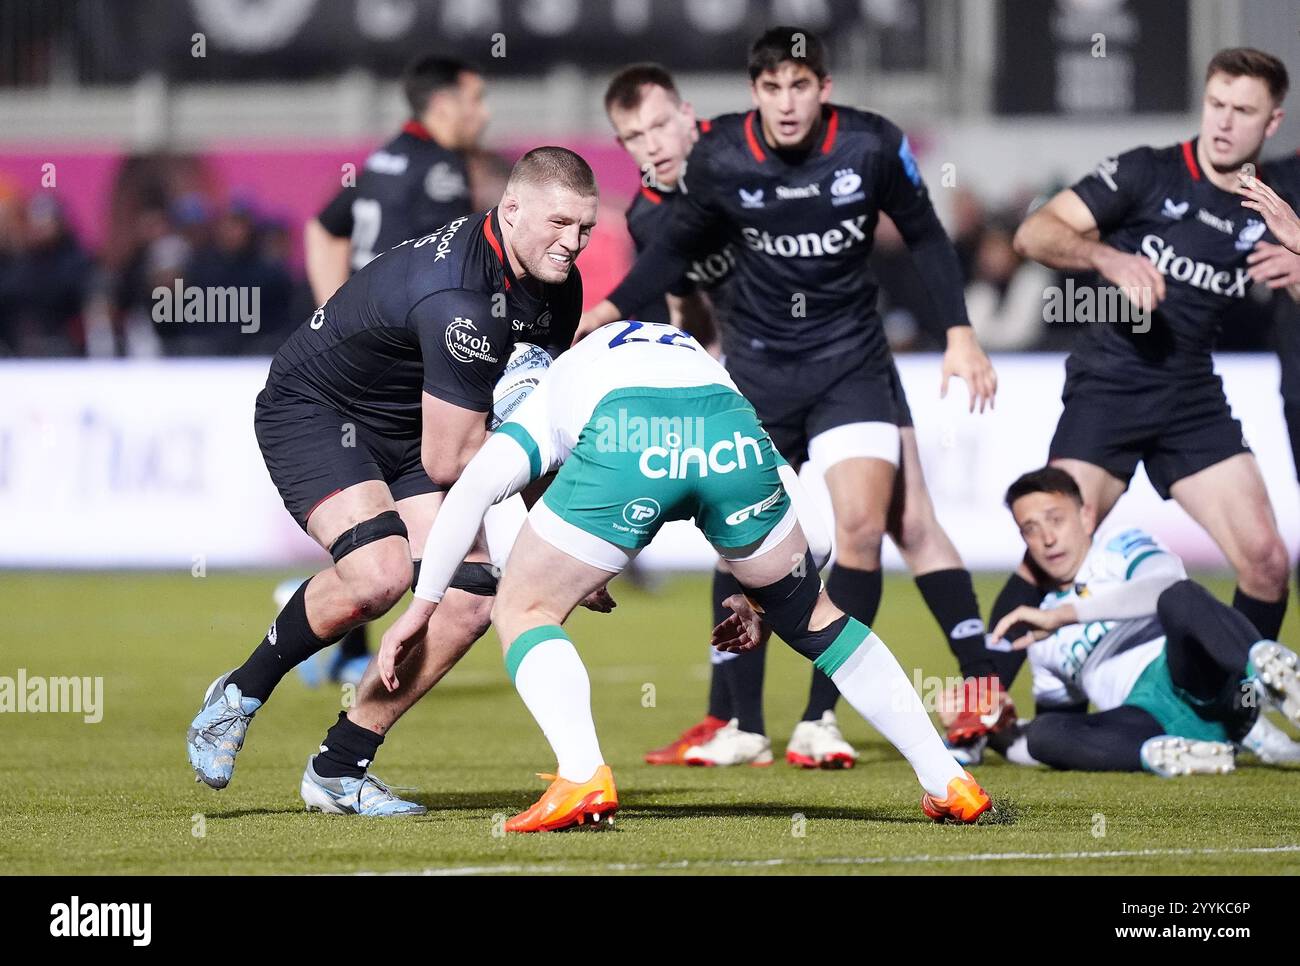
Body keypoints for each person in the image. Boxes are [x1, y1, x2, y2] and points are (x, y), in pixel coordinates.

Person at [576, 27, 1008, 765]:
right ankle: (740, 723)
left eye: (657, 125)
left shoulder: (851, 147)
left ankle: (890, 704)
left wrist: (959, 333)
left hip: (851, 363)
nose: (649, 145)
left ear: (689, 114)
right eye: (631, 136)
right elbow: (681, 288)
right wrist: (607, 322)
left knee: (887, 526)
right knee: (746, 542)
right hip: (757, 376)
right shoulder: (670, 201)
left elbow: (926, 234)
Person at [380, 320, 993, 830]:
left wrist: (422, 605)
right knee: (819, 621)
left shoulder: (540, 396)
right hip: (725, 431)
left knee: (524, 609)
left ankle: (582, 775)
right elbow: (822, 537)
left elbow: (472, 491)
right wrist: (762, 602)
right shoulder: (681, 357)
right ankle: (948, 779)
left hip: (626, 434)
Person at [185, 148, 595, 816]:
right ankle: (237, 694)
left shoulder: (558, 285)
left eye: (584, 228)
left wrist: (570, 539)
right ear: (511, 209)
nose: (571, 244)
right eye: (558, 224)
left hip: (424, 417)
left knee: (469, 597)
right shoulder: (462, 298)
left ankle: (339, 767)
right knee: (381, 576)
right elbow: (449, 461)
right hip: (317, 408)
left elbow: (530, 433)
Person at [997, 49, 1300, 729]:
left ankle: (1230, 718)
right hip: (1111, 382)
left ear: (1272, 121)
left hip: (1191, 394)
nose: (1223, 122)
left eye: (1243, 110)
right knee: (1050, 552)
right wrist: (1108, 255)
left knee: (1266, 561)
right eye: (1216, 103)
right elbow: (1032, 232)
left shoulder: (1280, 197)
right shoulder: (1148, 170)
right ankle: (978, 705)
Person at [989, 466, 1300, 775]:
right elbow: (1064, 730)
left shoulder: (1118, 547)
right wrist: (995, 733)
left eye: (1056, 519)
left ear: (1085, 516)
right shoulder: (1040, 640)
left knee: (1180, 596)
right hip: (1144, 718)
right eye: (1030, 529)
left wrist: (1065, 616)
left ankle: (1270, 675)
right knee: (1045, 733)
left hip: (1191, 677)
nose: (1047, 538)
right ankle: (1179, 754)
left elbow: (1164, 584)